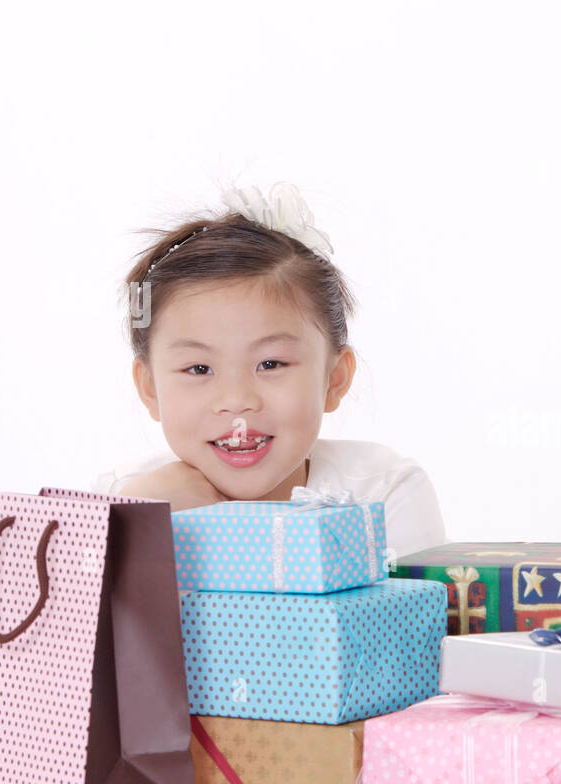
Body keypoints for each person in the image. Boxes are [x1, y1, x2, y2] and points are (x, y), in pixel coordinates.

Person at [94, 182, 446, 559]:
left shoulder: (382, 495)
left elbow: (416, 615)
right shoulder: (123, 500)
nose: (236, 401)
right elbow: (58, 613)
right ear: (150, 388)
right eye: (199, 368)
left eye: (270, 364)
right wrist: (136, 519)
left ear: (334, 378)